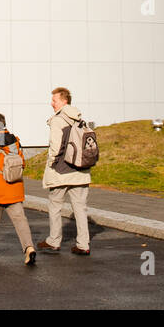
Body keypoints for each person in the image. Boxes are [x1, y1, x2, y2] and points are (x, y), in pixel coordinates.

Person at [0, 110, 37, 266]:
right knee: (20, 220)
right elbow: (22, 162)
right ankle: (29, 248)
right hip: (15, 187)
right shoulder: (15, 141)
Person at [38, 87, 91, 255]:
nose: (51, 103)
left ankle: (54, 241)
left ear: (64, 101)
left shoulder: (58, 119)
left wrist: (52, 164)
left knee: (55, 206)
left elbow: (55, 147)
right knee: (80, 209)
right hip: (80, 171)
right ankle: (83, 244)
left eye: (54, 100)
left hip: (61, 171)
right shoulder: (80, 119)